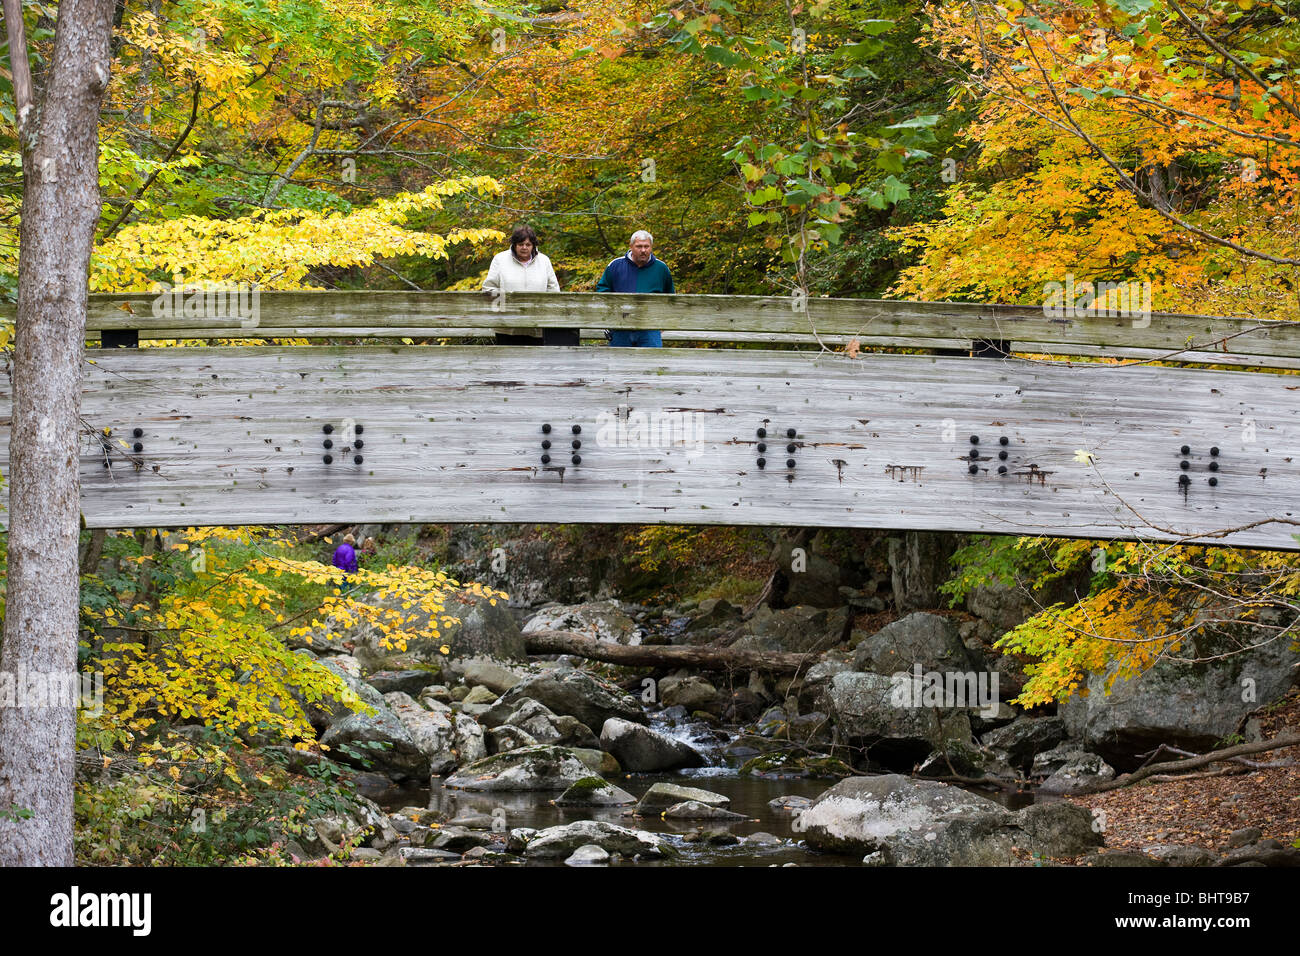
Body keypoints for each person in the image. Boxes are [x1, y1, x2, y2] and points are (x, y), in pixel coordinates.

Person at [482, 225, 576, 345]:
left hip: (537, 324)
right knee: (509, 361)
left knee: (536, 362)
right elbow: (489, 287)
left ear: (533, 245)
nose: (524, 248)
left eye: (528, 244)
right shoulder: (500, 260)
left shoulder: (544, 261)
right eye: (521, 244)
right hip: (507, 325)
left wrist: (545, 311)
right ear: (514, 245)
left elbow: (553, 290)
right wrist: (505, 307)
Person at [597, 230, 674, 347]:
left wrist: (663, 323)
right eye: (639, 246)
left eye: (646, 246)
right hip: (620, 326)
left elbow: (671, 298)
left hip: (650, 327)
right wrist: (610, 317)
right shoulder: (615, 266)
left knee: (652, 362)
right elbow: (602, 291)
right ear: (631, 246)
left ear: (651, 247)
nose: (643, 250)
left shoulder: (661, 268)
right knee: (619, 363)